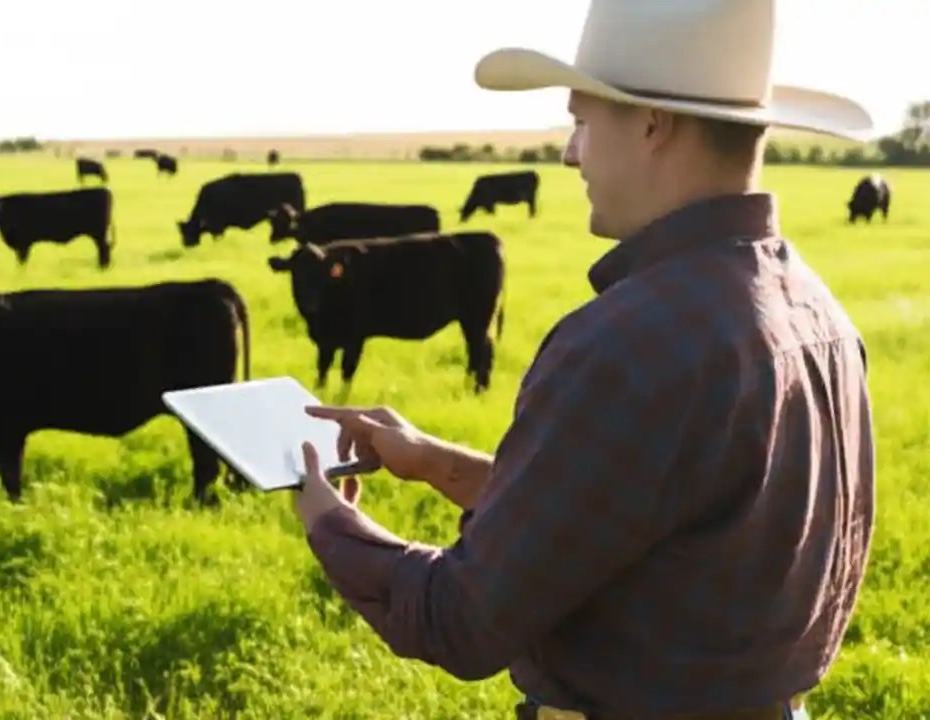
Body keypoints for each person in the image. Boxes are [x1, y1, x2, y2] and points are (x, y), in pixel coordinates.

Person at [290, 1, 877, 719]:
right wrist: (437, 463)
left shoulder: (630, 341)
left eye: (583, 121)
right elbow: (648, 527)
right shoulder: (820, 315)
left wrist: (329, 522)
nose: (571, 152)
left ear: (653, 125)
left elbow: (462, 619)